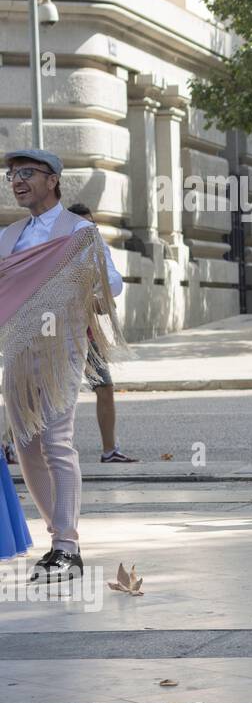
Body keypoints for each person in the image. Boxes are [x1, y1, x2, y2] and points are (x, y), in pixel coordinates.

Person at [0, 148, 125, 583]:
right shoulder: (10, 234)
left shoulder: (80, 232)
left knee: (57, 442)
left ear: (53, 179)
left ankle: (68, 547)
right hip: (17, 351)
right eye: (12, 174)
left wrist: (67, 292)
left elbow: (111, 285)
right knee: (28, 446)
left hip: (61, 348)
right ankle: (57, 540)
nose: (17, 181)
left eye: (27, 173)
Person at [66, 203, 136, 463]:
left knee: (104, 386)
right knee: (46, 395)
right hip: (58, 337)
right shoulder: (57, 253)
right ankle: (11, 444)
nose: (89, 233)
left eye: (91, 227)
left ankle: (110, 451)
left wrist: (100, 299)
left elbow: (112, 282)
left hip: (87, 334)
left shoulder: (96, 250)